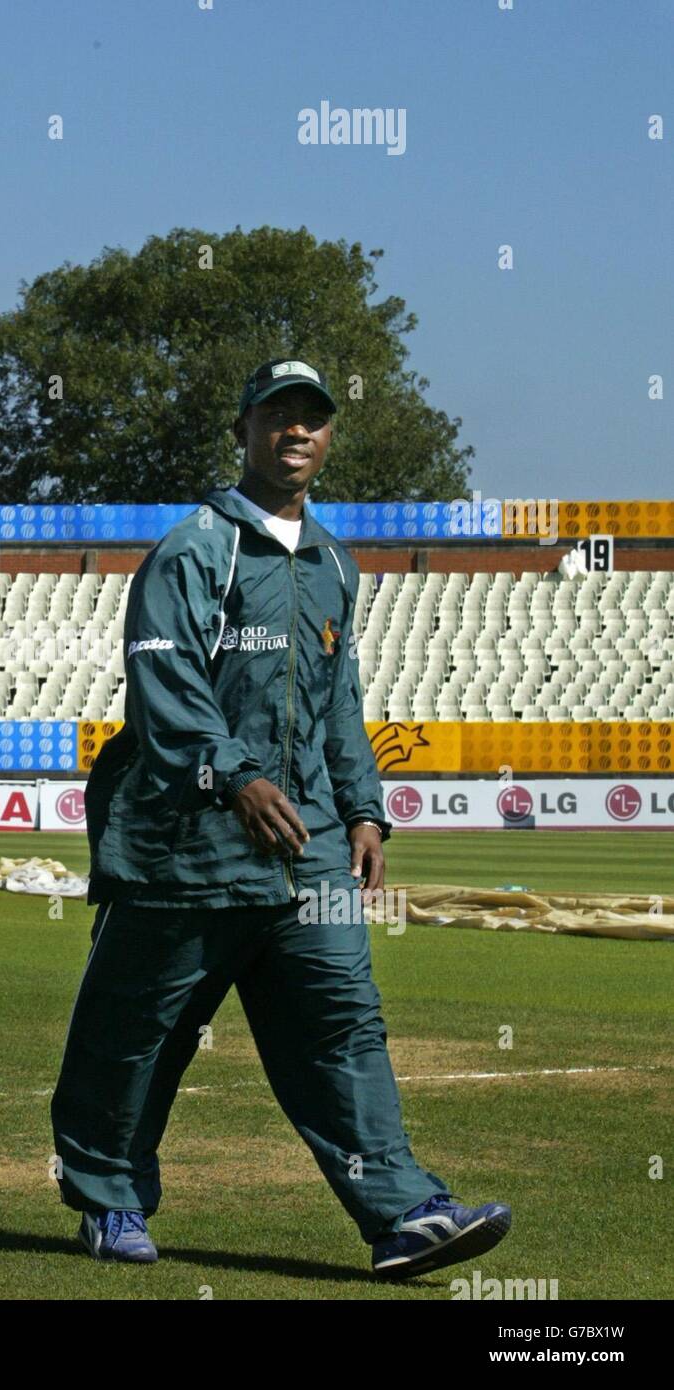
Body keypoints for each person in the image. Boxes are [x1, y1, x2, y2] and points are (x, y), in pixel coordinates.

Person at [50, 358, 511, 1278]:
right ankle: (107, 1201)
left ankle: (402, 1214)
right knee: (137, 1031)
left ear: (327, 437)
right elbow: (163, 679)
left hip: (309, 858)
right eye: (276, 416)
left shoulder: (335, 562)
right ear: (244, 430)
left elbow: (339, 697)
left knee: (344, 1023)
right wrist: (234, 775)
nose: (294, 432)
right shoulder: (193, 549)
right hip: (184, 849)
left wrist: (363, 807)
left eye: (311, 419)